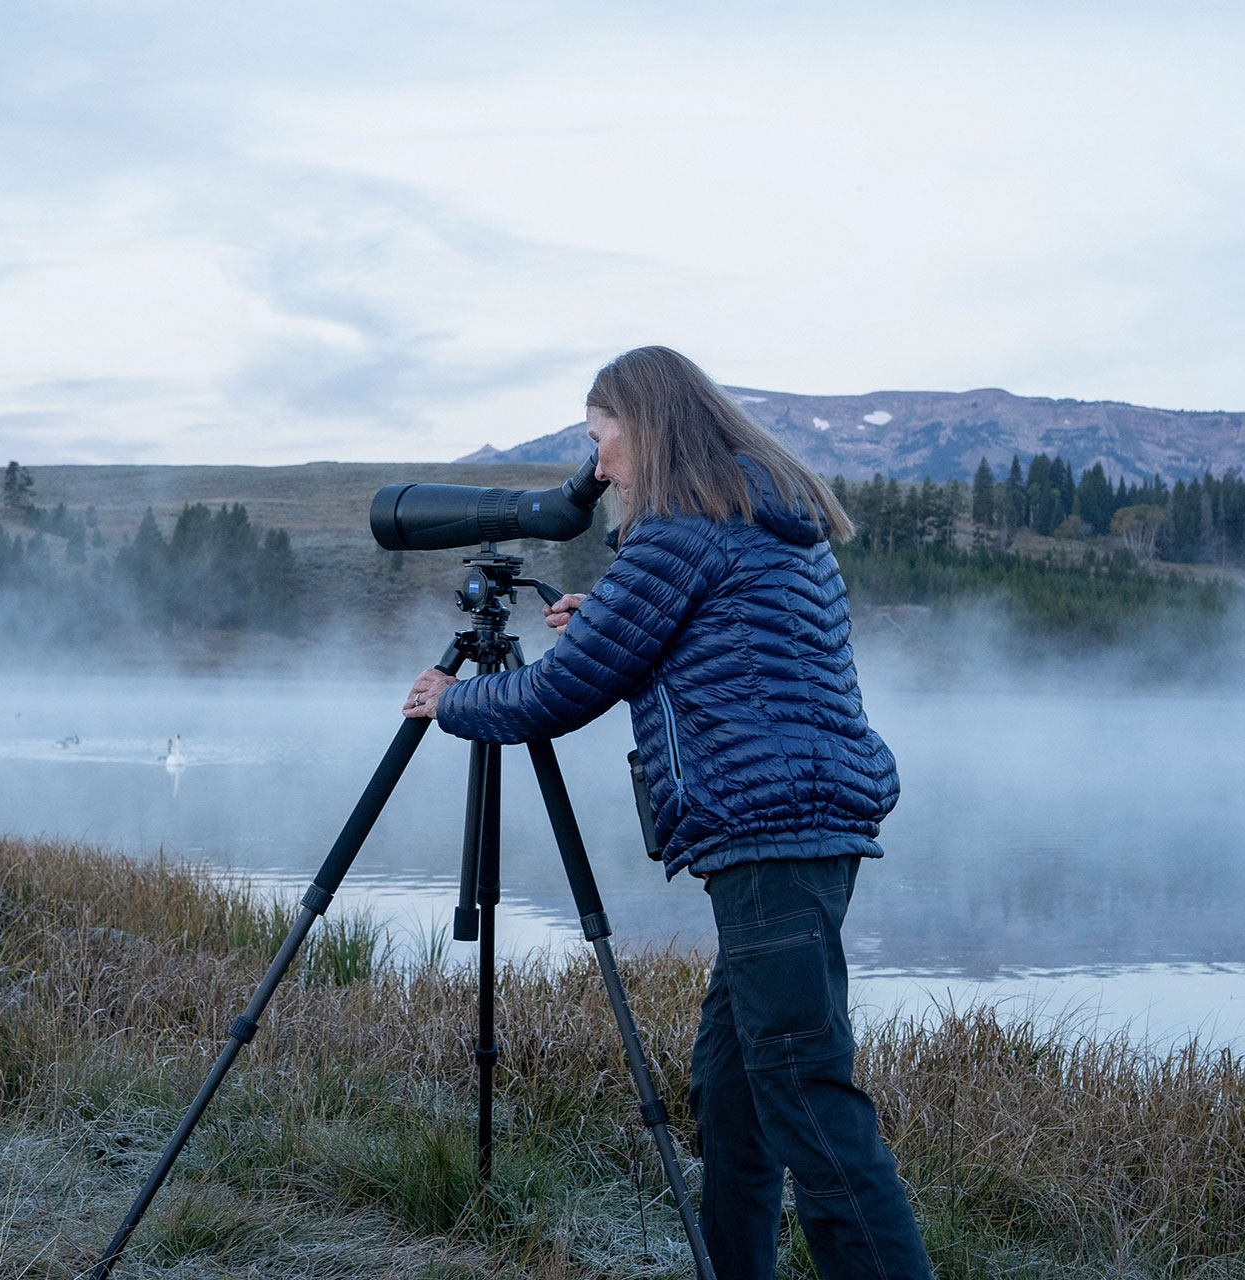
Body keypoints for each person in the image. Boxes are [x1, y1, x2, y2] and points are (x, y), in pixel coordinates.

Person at [399, 346, 933, 1280]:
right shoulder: (755, 518)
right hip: (804, 824)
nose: (598, 467)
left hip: (771, 837)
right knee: (731, 1094)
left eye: (601, 439)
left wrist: (452, 701)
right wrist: (610, 617)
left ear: (646, 428)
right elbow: (731, 650)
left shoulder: (683, 531)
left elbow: (556, 695)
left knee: (807, 1100)